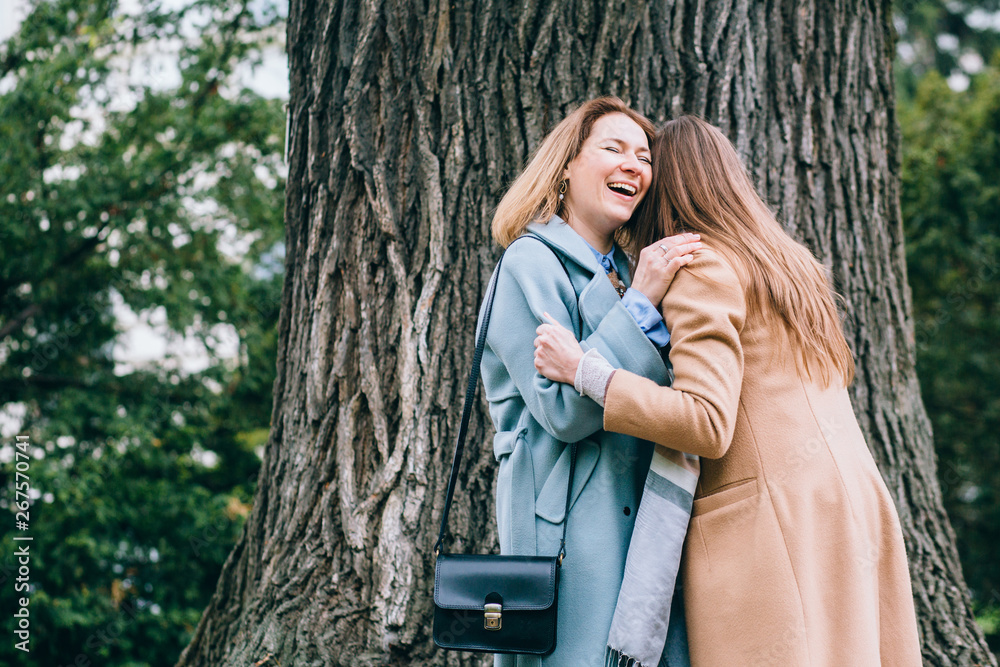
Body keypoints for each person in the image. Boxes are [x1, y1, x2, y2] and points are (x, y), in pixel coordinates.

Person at [533, 115, 922, 666]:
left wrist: (586, 372)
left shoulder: (703, 268)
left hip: (770, 519)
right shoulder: (789, 264)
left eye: (647, 170)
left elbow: (706, 422)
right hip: (847, 503)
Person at [479, 97, 700, 666]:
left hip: (647, 517)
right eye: (614, 148)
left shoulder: (633, 272)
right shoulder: (528, 263)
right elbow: (564, 412)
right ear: (568, 166)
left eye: (644, 156)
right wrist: (644, 303)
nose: (634, 165)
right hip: (568, 530)